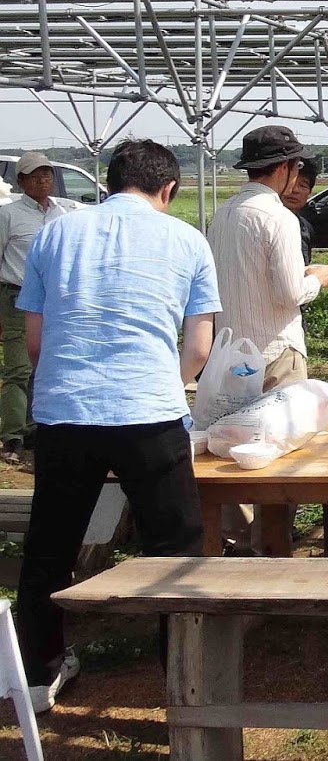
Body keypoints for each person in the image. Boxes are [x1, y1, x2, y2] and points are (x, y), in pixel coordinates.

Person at [15, 139, 219, 712]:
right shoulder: (187, 239)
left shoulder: (55, 233)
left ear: (109, 182)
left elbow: (36, 339)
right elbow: (198, 345)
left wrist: (65, 381)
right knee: (173, 550)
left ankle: (37, 674)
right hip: (149, 413)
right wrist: (165, 383)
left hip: (65, 411)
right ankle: (183, 678)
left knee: (51, 544)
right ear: (169, 189)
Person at [209, 125, 328, 391]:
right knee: (278, 431)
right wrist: (315, 279)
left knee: (236, 431)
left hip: (230, 353)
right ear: (284, 167)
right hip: (274, 352)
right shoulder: (279, 218)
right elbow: (290, 295)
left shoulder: (223, 214)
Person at [0, 152, 82, 450]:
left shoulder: (65, 213)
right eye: (35, 175)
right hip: (16, 297)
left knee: (48, 364)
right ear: (20, 181)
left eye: (47, 174)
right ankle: (12, 434)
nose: (43, 180)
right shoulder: (8, 215)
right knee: (18, 368)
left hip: (54, 297)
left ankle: (37, 426)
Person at [280, 156, 320, 266]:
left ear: (310, 192)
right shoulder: (266, 222)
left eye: (303, 185)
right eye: (290, 183)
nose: (295, 190)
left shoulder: (306, 227)